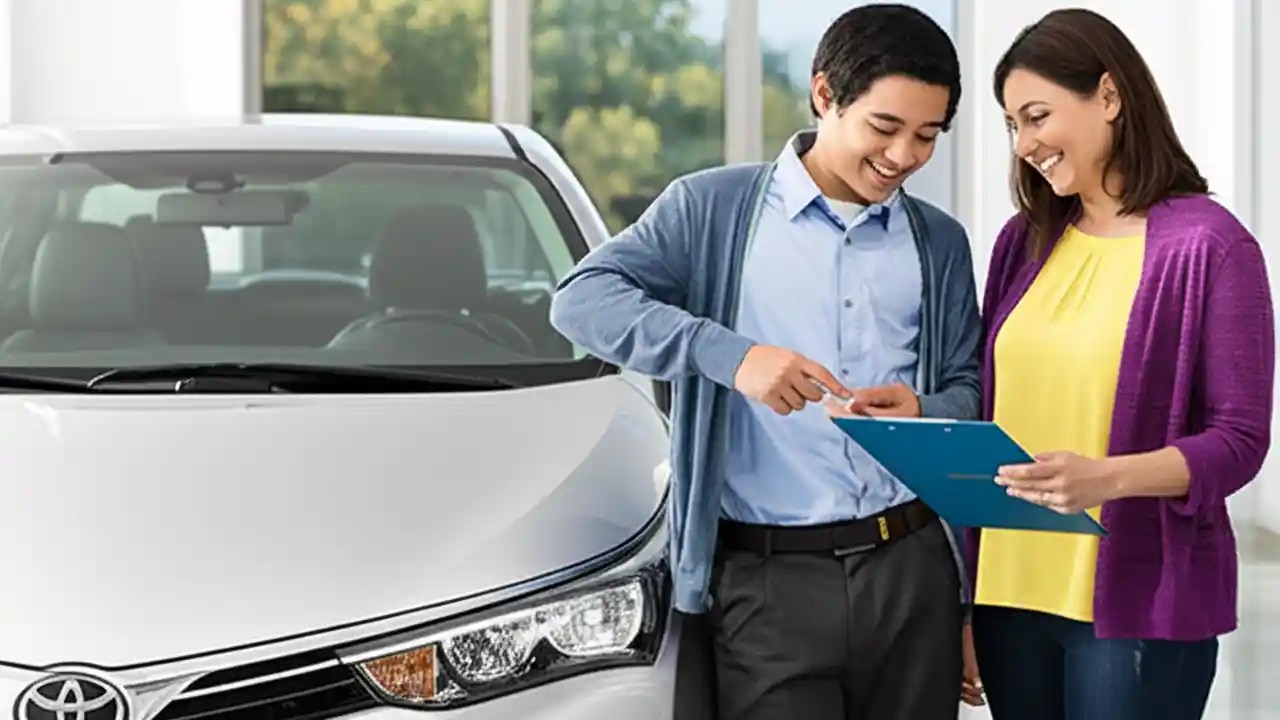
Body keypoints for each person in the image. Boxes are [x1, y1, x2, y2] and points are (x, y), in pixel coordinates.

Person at [550, 4, 981, 719]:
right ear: (824, 94)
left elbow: (968, 390)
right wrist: (733, 356)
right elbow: (581, 301)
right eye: (884, 127)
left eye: (927, 136)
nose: (904, 155)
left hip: (910, 571)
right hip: (767, 584)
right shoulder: (710, 209)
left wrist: (925, 409)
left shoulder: (939, 242)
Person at [963, 8, 1275, 720]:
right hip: (1009, 593)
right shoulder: (1023, 241)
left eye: (1037, 116)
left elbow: (1239, 441)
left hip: (1136, 605)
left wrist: (1106, 478)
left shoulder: (1212, 247)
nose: (1024, 144)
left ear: (1108, 95)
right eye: (1012, 125)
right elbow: (991, 406)